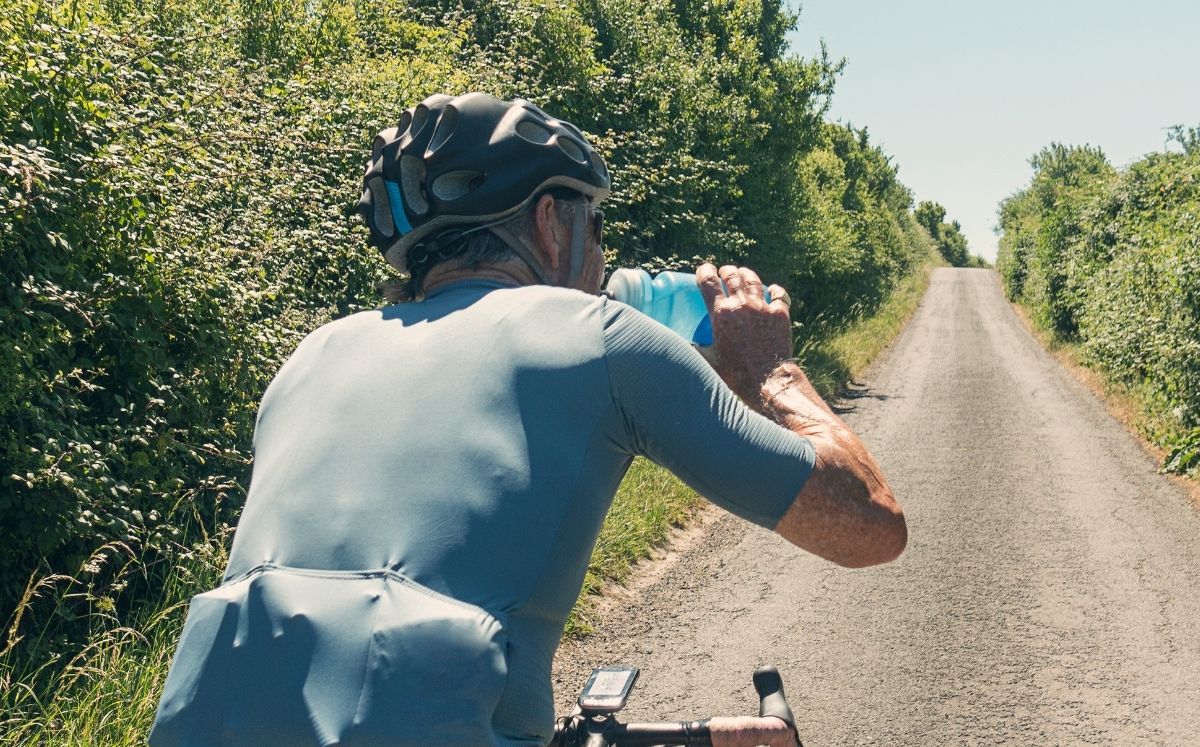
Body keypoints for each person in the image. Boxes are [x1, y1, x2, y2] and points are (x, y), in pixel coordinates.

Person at [149, 92, 905, 747]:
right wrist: (773, 373)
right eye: (596, 227)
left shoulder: (310, 357)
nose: (604, 259)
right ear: (550, 221)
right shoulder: (603, 339)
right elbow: (869, 526)